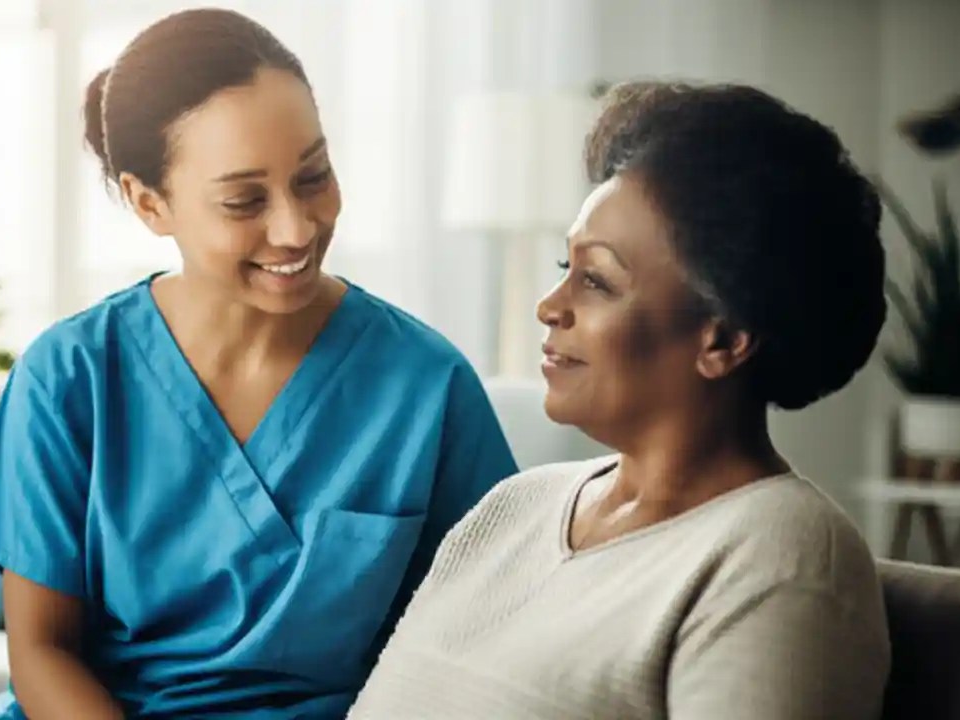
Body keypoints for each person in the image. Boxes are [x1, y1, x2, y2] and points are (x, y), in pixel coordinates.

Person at [0, 8, 518, 719]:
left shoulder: (427, 385)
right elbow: (41, 653)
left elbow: (488, 643)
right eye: (244, 200)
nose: (296, 227)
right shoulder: (69, 378)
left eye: (314, 177)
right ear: (149, 203)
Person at [349, 81, 892, 719]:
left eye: (597, 280)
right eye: (564, 267)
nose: (550, 308)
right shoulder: (513, 507)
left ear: (722, 339)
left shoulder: (783, 554)